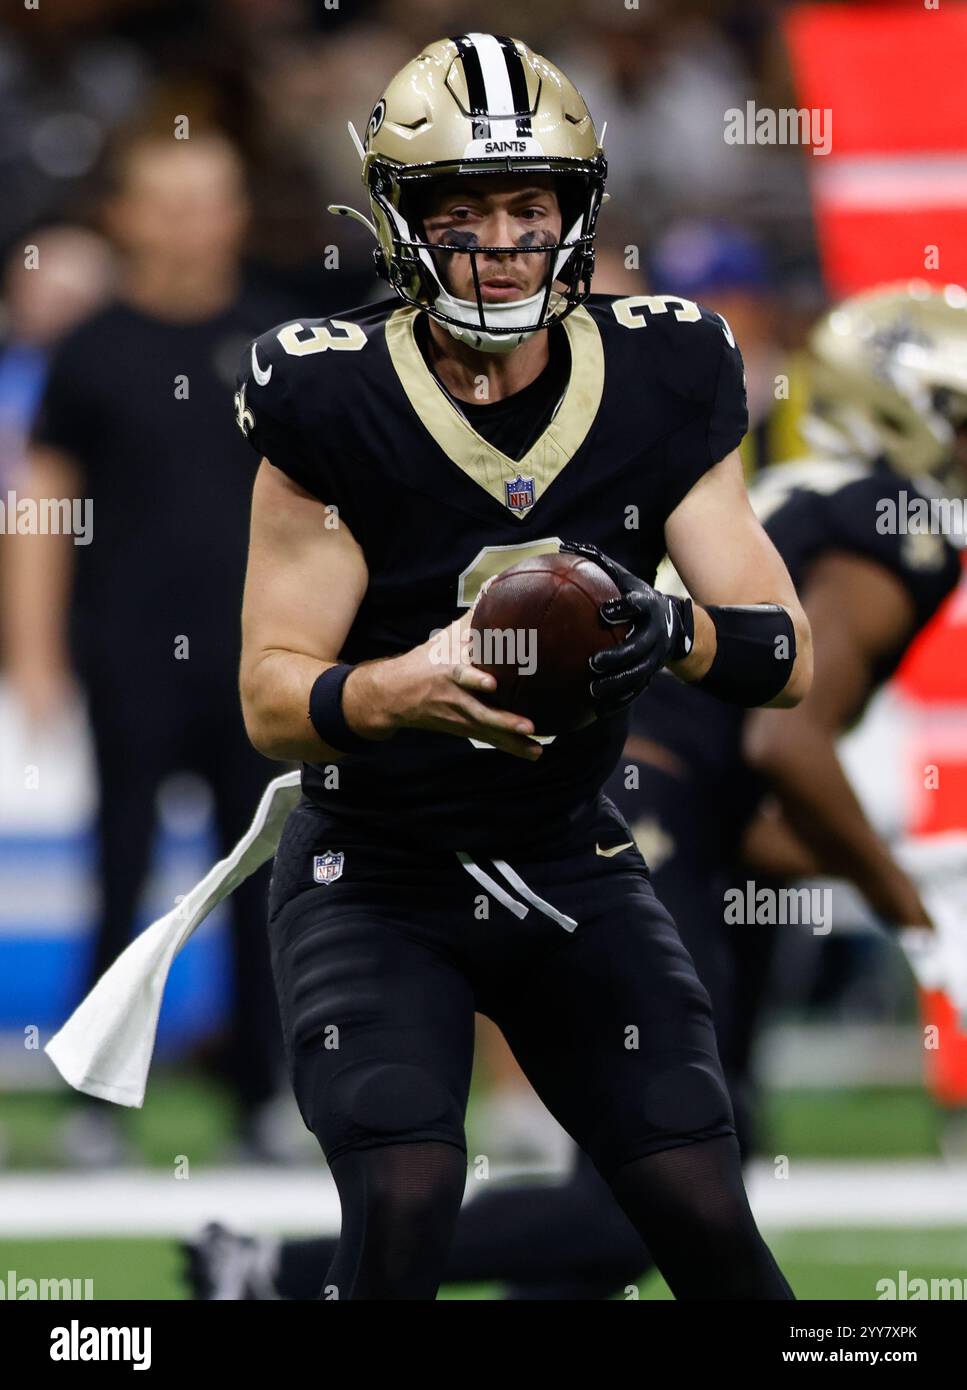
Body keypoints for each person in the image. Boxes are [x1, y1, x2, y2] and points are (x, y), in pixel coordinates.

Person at [185, 280, 964, 1300]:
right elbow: (789, 751)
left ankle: (264, 1271)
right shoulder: (888, 521)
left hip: (599, 818)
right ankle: (268, 1273)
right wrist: (909, 910)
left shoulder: (705, 419)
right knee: (540, 1199)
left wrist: (674, 633)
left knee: (679, 1190)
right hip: (490, 828)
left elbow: (778, 677)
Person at [230, 33, 812, 1301]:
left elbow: (782, 655)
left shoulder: (663, 368)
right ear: (399, 223)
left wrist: (673, 632)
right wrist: (401, 686)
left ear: (576, 212)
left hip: (568, 857)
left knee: (705, 1212)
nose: (499, 241)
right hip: (374, 870)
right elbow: (274, 698)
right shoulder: (331, 395)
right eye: (462, 211)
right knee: (404, 1194)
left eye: (526, 205)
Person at [3, 127, 292, 1165]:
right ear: (122, 214)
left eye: (205, 196)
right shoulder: (93, 348)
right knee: (120, 871)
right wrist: (33, 652)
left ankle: (267, 1096)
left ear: (236, 211)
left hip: (259, 660)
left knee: (267, 879)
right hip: (125, 657)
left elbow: (328, 503)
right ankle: (94, 1103)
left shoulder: (277, 340)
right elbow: (43, 501)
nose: (184, 220)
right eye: (162, 199)